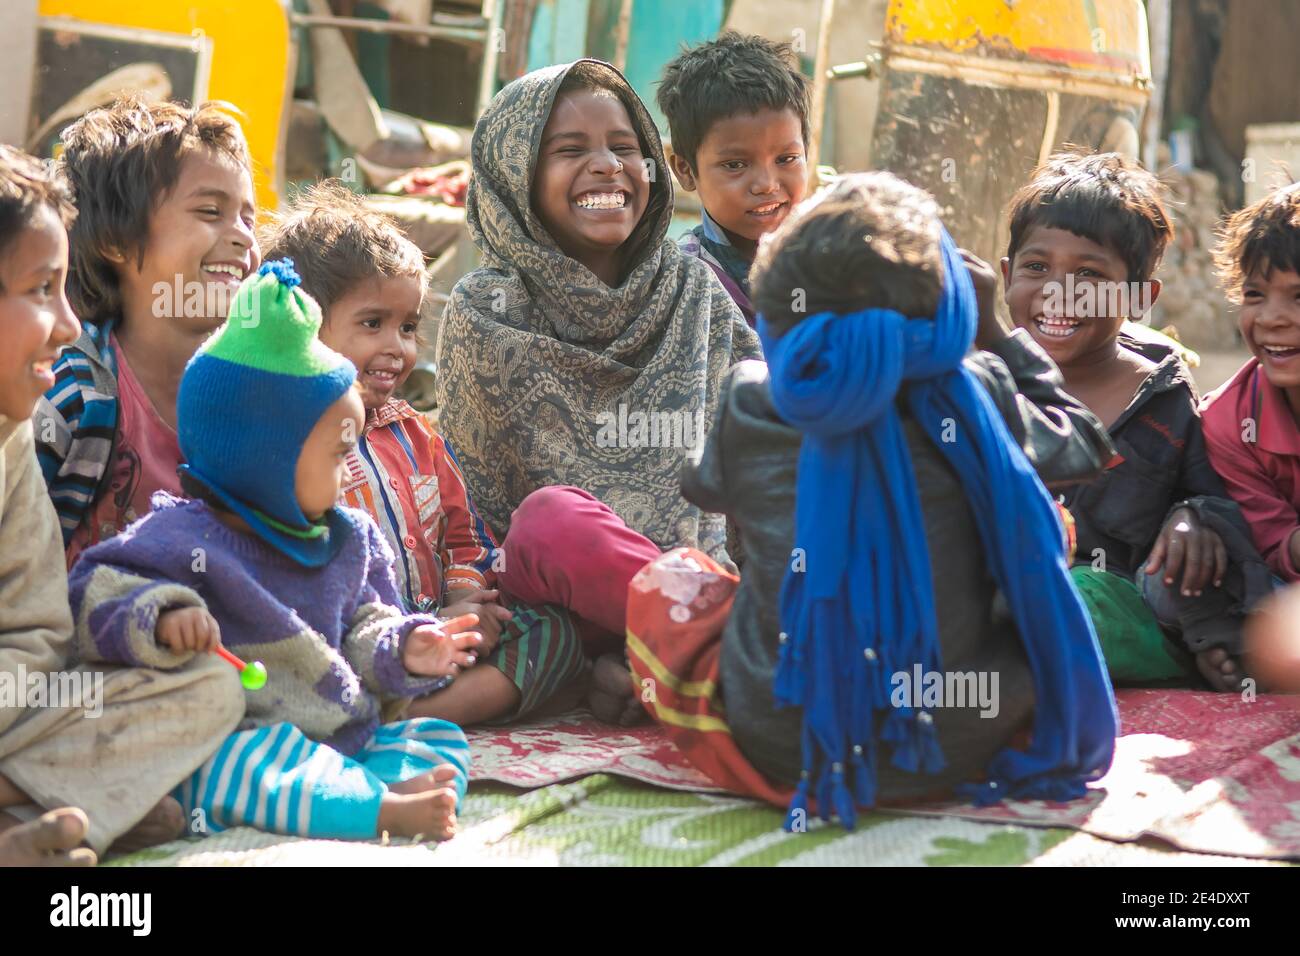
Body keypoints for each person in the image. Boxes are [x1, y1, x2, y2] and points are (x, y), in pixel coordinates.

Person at [626, 172, 1117, 825]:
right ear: (946, 309)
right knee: (1044, 528)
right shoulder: (978, 389)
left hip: (779, 738)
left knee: (674, 577)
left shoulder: (751, 395)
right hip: (962, 737)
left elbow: (705, 489)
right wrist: (997, 331)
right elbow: (1085, 441)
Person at [69, 261, 481, 841]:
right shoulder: (181, 539)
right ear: (264, 457)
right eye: (337, 457)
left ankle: (369, 792)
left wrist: (406, 646)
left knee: (437, 737)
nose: (348, 474)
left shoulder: (348, 540)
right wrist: (161, 614)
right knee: (244, 769)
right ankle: (377, 810)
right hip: (246, 736)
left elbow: (367, 625)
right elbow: (92, 594)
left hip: (345, 732)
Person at [262, 183, 585, 726]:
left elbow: (465, 535)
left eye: (409, 327)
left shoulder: (415, 435)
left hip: (440, 630)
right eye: (373, 324)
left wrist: (465, 603)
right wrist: (404, 638)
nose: (398, 347)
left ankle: (412, 708)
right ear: (303, 325)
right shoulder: (286, 442)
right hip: (356, 645)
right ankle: (412, 712)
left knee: (554, 630)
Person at [0, 144, 244, 864]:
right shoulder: (69, 401)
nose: (68, 322)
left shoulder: (10, 435)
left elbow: (35, 625)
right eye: (42, 288)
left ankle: (29, 804)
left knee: (207, 688)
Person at [1002, 151, 1268, 691]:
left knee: (1063, 603)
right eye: (1036, 267)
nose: (1058, 291)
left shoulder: (1164, 397)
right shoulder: (984, 377)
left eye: (1090, 275)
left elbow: (1216, 493)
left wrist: (1192, 517)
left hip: (1115, 601)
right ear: (1006, 275)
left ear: (1140, 298)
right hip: (990, 578)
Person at [33, 96, 260, 565]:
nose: (243, 236)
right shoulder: (71, 390)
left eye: (248, 217)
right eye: (210, 212)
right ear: (118, 239)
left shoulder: (254, 398)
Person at [656, 31, 810, 325]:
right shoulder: (680, 284)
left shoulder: (830, 261)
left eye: (786, 159)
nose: (767, 183)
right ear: (686, 171)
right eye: (736, 164)